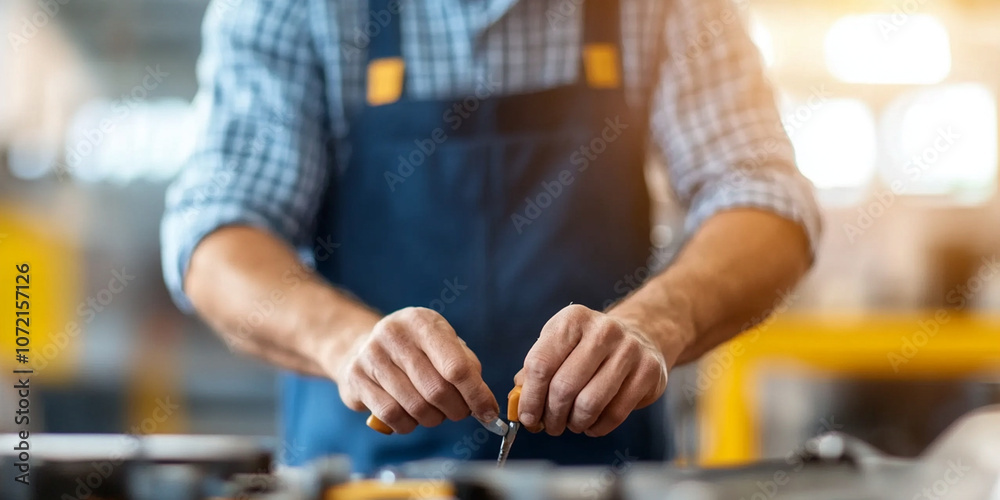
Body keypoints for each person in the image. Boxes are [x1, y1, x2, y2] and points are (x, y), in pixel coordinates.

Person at [161, 0, 821, 473]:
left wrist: (660, 319)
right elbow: (218, 234)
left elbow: (763, 196)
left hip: (605, 478)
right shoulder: (290, 8)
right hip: (358, 478)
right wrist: (345, 341)